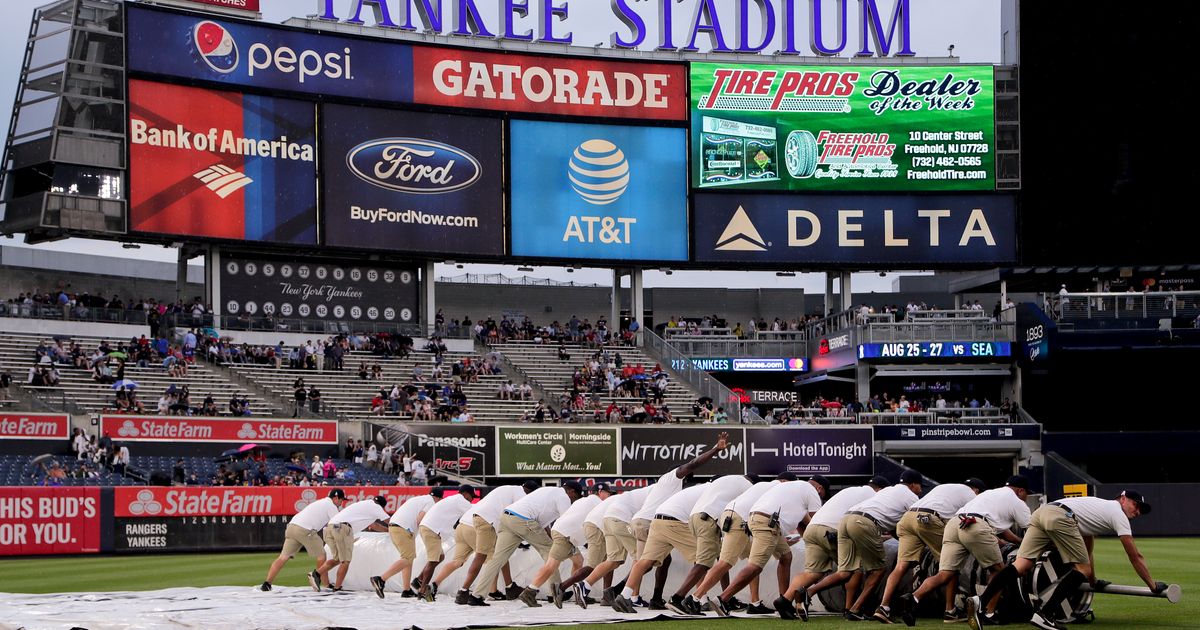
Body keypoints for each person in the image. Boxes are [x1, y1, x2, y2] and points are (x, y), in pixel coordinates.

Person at [968, 490, 1163, 630]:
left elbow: (1087, 549)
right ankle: (1045, 615)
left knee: (1021, 565)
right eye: (1136, 505)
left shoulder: (1097, 508)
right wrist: (1153, 585)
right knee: (1082, 570)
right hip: (1062, 517)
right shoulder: (1117, 513)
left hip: (1042, 513)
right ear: (1123, 499)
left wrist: (1093, 582)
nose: (1137, 512)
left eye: (1141, 511)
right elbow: (1134, 556)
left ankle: (980, 601)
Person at [895, 475, 1029, 625]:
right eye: (1026, 494)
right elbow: (1031, 530)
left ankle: (914, 597)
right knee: (999, 571)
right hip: (974, 525)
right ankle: (988, 613)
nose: (1026, 498)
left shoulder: (987, 494)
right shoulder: (1016, 501)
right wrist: (1021, 543)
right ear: (1021, 491)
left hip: (955, 524)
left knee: (945, 573)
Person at [626, 432, 732, 609]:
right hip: (653, 521)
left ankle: (629, 596)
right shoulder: (673, 477)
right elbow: (693, 463)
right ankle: (699, 600)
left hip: (648, 521)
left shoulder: (665, 488)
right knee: (702, 557)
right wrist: (715, 450)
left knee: (648, 561)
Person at [804, 469, 924, 621]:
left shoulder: (887, 492)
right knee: (878, 570)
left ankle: (808, 592)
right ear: (913, 485)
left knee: (847, 571)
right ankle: (858, 608)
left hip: (846, 519)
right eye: (920, 486)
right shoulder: (912, 497)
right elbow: (913, 523)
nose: (920, 490)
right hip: (864, 522)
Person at [873, 477, 989, 624]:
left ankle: (884, 607)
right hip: (928, 519)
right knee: (950, 566)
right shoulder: (972, 496)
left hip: (908, 518)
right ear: (976, 490)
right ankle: (950, 611)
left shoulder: (945, 487)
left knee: (901, 566)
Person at [709, 476, 829, 617]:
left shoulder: (792, 488)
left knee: (786, 556)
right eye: (821, 496)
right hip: (768, 522)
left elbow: (804, 525)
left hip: (758, 518)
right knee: (755, 566)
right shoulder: (811, 491)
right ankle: (723, 599)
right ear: (820, 489)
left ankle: (784, 601)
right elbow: (817, 522)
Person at [775, 475, 888, 620]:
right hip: (832, 530)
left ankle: (785, 600)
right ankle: (850, 609)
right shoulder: (874, 497)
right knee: (854, 569)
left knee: (813, 572)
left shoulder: (850, 491)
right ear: (880, 490)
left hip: (813, 528)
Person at [690, 473, 798, 614]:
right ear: (784, 481)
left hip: (742, 519)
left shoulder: (763, 486)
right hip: (742, 520)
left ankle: (767, 602)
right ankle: (695, 598)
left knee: (783, 556)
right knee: (727, 562)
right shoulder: (778, 489)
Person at [474, 481, 584, 604]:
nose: (574, 502)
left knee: (497, 559)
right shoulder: (563, 496)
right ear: (572, 492)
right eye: (576, 498)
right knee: (551, 553)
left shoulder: (547, 491)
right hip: (523, 520)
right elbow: (567, 522)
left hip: (506, 517)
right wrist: (579, 541)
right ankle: (555, 593)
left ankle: (476, 595)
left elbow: (542, 525)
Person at [612, 481, 712, 613]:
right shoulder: (714, 491)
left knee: (645, 561)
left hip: (656, 519)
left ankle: (624, 596)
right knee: (703, 557)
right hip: (674, 521)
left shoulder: (692, 490)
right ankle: (697, 600)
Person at [441, 481, 539, 605]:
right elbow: (521, 517)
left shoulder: (508, 488)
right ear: (530, 492)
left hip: (475, 520)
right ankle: (465, 592)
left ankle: (509, 588)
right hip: (485, 522)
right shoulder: (522, 495)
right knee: (483, 557)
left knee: (500, 553)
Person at [522, 486, 604, 608]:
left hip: (565, 533)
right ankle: (530, 591)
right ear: (600, 493)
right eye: (607, 493)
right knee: (551, 565)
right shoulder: (598, 503)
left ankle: (577, 592)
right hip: (565, 535)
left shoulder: (583, 501)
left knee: (578, 561)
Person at [261, 488, 346, 592]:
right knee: (321, 555)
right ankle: (322, 582)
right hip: (305, 529)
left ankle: (267, 583)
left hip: (292, 527)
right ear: (336, 498)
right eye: (341, 500)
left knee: (283, 557)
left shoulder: (321, 502)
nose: (341, 503)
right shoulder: (331, 506)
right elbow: (337, 525)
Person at [371, 488, 440, 598]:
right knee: (408, 558)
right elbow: (419, 520)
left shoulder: (420, 499)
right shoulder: (431, 502)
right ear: (438, 499)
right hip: (404, 528)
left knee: (408, 559)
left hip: (394, 526)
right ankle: (381, 579)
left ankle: (406, 590)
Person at [415, 485, 479, 601]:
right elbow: (475, 512)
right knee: (433, 560)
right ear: (465, 494)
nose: (472, 499)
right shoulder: (461, 500)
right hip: (432, 529)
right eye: (471, 496)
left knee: (440, 557)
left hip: (428, 527)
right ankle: (422, 591)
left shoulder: (453, 499)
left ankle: (419, 580)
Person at [317, 495, 391, 592]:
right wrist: (396, 529)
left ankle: (317, 573)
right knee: (345, 561)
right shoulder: (375, 507)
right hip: (342, 528)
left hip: (330, 528)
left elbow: (374, 526)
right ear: (381, 506)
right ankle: (337, 587)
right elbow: (389, 521)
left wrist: (387, 530)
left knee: (338, 559)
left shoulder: (364, 506)